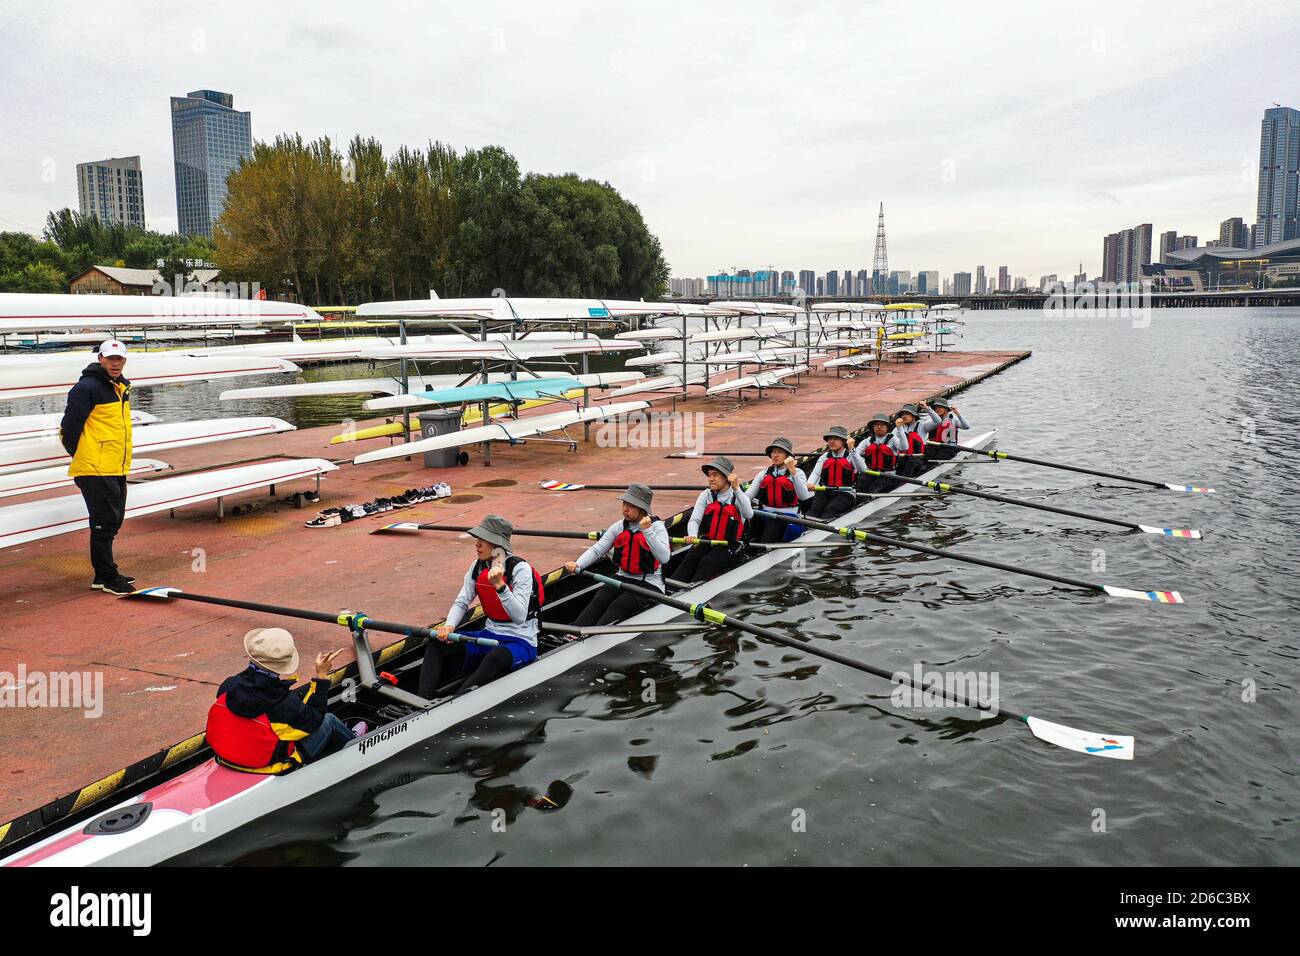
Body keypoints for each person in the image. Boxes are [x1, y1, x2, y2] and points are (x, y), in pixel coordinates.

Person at [418, 514, 542, 698]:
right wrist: (450, 626)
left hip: (521, 641)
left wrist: (501, 587)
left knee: (495, 658)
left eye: (484, 540)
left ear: (498, 545)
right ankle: (423, 702)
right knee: (437, 642)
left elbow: (519, 616)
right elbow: (462, 601)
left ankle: (456, 702)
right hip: (488, 636)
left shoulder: (520, 569)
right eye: (477, 539)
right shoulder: (477, 567)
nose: (477, 544)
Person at [205, 628, 355, 774]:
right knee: (329, 721)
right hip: (269, 766)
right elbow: (316, 718)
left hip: (224, 757)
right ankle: (358, 744)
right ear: (283, 665)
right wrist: (321, 676)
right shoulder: (283, 704)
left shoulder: (228, 685)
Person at [60, 340, 135, 595]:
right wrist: (82, 454)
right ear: (100, 358)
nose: (115, 363)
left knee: (113, 520)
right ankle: (106, 576)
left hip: (115, 465)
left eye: (120, 359)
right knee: (103, 522)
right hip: (95, 467)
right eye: (110, 358)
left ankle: (105, 572)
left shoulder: (120, 386)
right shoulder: (87, 388)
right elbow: (68, 428)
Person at [564, 483, 671, 625]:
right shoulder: (620, 526)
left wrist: (647, 531)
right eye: (624, 504)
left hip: (649, 585)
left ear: (642, 509)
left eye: (631, 505)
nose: (625, 509)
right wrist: (578, 563)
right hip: (622, 577)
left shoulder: (657, 527)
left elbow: (664, 557)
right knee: (600, 599)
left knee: (618, 606)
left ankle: (593, 637)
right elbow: (598, 549)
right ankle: (574, 633)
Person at [675, 455, 753, 584]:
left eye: (715, 475)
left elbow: (749, 514)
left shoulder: (738, 496)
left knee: (707, 562)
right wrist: (693, 535)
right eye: (709, 475)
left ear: (726, 477)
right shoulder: (706, 495)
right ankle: (671, 590)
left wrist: (737, 489)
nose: (711, 479)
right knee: (691, 557)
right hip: (711, 541)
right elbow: (695, 520)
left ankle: (691, 591)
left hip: (732, 545)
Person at [745, 437, 813, 543]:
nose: (775, 455)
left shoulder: (798, 472)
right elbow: (747, 497)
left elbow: (803, 496)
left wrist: (793, 472)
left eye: (780, 452)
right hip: (766, 514)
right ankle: (750, 547)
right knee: (753, 516)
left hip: (790, 518)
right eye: (773, 452)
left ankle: (762, 550)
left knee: (774, 520)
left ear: (788, 456)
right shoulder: (764, 473)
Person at [805, 426, 866, 521]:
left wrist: (852, 449)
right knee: (812, 513)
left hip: (845, 493)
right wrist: (810, 483)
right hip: (825, 492)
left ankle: (820, 530)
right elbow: (816, 473)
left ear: (843, 441)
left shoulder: (851, 455)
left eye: (835, 439)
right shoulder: (824, 457)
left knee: (829, 512)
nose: (832, 441)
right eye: (830, 439)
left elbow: (862, 469)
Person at [857, 412, 904, 493]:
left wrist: (900, 428)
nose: (879, 427)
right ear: (873, 427)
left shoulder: (893, 439)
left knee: (874, 489)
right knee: (861, 486)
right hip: (871, 473)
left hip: (888, 476)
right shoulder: (868, 441)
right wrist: (851, 450)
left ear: (887, 427)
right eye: (876, 424)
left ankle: (868, 500)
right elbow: (856, 454)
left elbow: (904, 447)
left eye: (882, 424)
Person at [891, 402, 941, 478]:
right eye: (902, 414)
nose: (904, 416)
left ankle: (904, 482)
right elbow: (890, 441)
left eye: (907, 414)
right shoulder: (898, 428)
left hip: (919, 459)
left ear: (914, 416)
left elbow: (938, 421)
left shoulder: (923, 426)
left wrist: (927, 408)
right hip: (903, 458)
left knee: (911, 463)